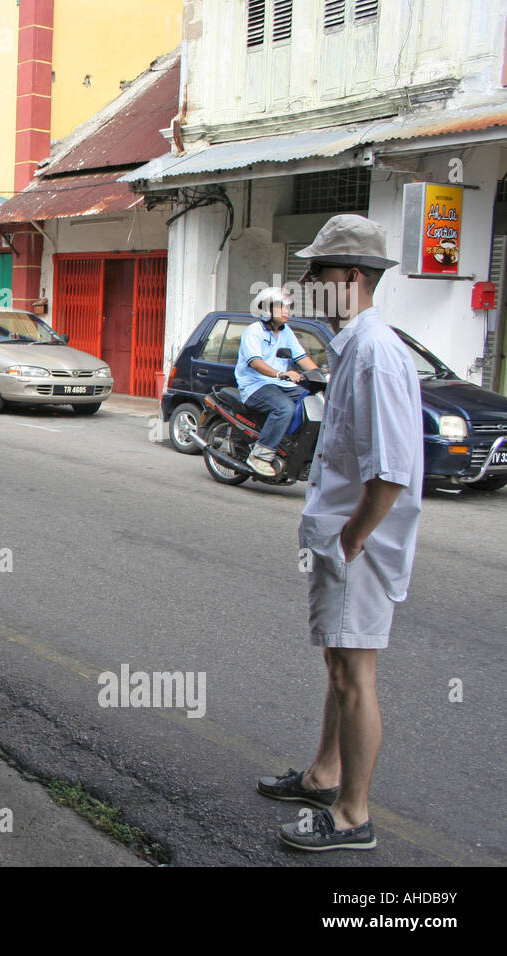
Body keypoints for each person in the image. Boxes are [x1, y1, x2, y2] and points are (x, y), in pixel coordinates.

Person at [258, 214, 423, 851]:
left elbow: (392, 471)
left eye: (317, 272)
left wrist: (351, 539)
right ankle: (325, 776)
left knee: (355, 675)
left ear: (351, 277)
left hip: (358, 544)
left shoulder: (377, 353)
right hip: (340, 536)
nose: (306, 283)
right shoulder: (353, 344)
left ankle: (354, 816)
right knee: (337, 665)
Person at [237, 286, 319, 476]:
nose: (286, 311)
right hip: (255, 385)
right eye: (281, 307)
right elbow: (255, 362)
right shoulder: (253, 331)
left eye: (287, 307)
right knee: (285, 408)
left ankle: (302, 450)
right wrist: (279, 374)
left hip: (281, 384)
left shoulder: (285, 331)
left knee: (313, 401)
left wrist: (319, 374)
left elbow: (301, 357)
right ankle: (260, 455)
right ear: (266, 308)